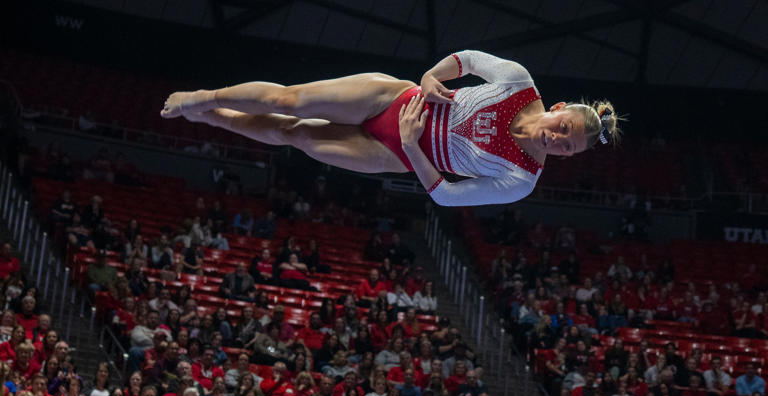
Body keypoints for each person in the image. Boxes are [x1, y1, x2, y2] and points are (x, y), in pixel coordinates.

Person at [162, 51, 621, 207]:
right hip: (394, 98)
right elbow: (466, 60)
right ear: (558, 108)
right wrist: (429, 77)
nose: (558, 140)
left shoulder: (520, 181)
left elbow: (445, 195)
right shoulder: (518, 83)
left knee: (295, 134)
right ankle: (209, 97)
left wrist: (409, 144)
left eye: (568, 148)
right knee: (290, 100)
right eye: (564, 128)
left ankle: (219, 120)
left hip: (397, 154)